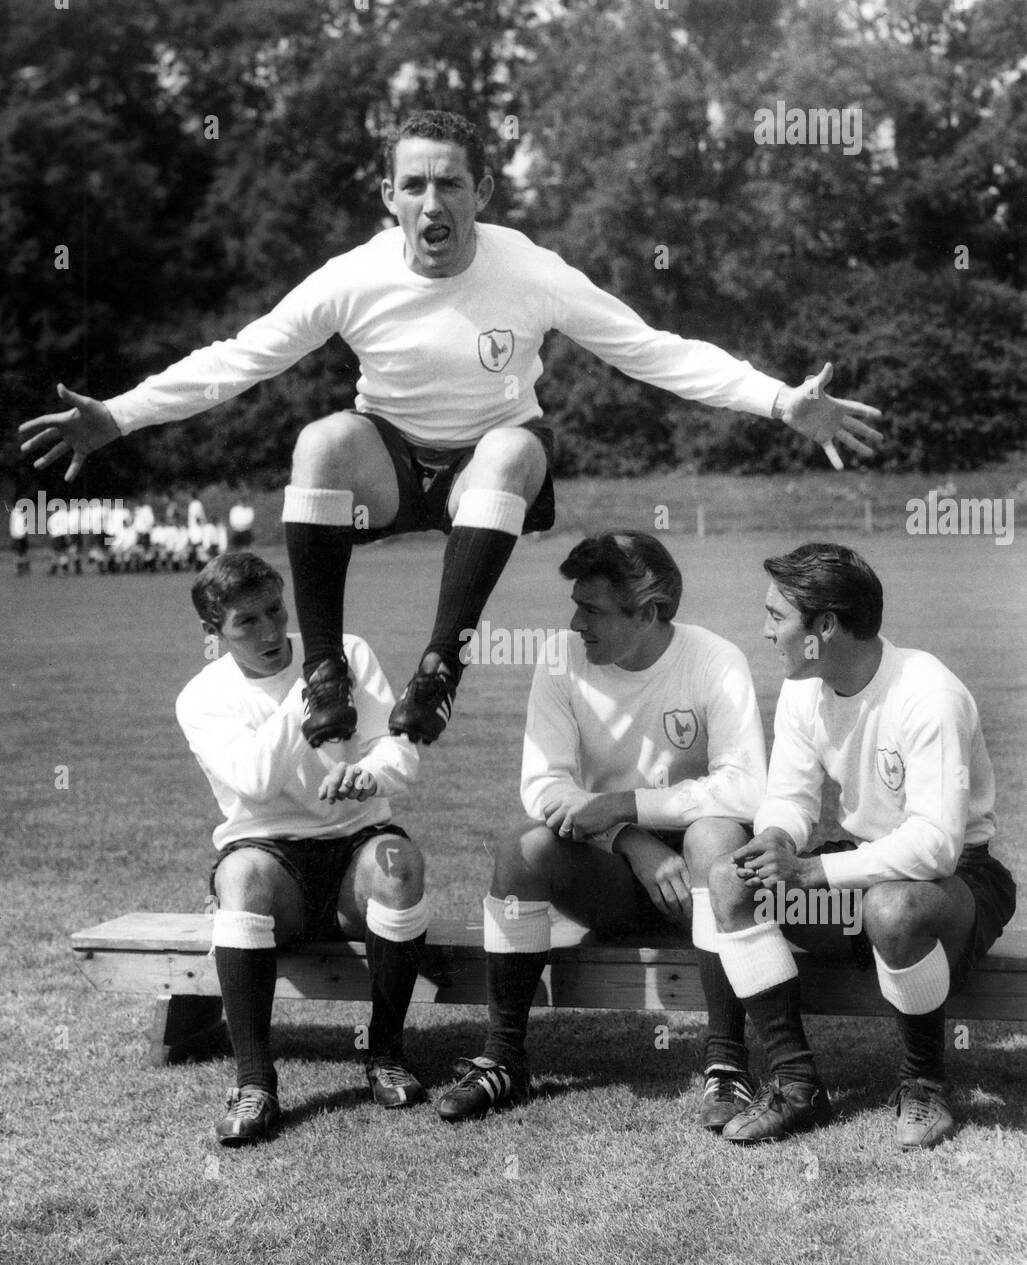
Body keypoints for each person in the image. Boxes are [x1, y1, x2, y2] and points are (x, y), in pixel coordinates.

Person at [19, 109, 882, 751]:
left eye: (452, 183)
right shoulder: (350, 278)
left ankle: (439, 669)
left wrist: (780, 402)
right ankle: (324, 671)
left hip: (497, 467)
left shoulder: (530, 272)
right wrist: (120, 416)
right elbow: (238, 359)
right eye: (416, 184)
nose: (435, 202)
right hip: (391, 463)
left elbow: (653, 350)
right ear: (389, 195)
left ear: (482, 194)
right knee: (320, 440)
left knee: (508, 447)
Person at [435, 531, 767, 1125]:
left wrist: (627, 806)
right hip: (613, 874)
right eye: (575, 603)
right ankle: (504, 1057)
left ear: (649, 613)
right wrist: (628, 837)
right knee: (524, 848)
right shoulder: (561, 658)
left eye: (593, 609)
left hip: (709, 884)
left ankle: (727, 1068)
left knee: (712, 836)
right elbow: (544, 787)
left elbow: (747, 789)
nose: (575, 622)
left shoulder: (715, 659)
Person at [707, 543, 1016, 1149]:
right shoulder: (805, 686)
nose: (765, 631)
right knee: (728, 881)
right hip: (854, 877)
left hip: (956, 885)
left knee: (891, 909)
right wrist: (775, 837)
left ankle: (924, 1085)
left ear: (824, 627)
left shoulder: (929, 692)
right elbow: (792, 797)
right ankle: (798, 1087)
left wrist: (816, 868)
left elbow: (936, 848)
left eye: (777, 617)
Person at [176, 551, 431, 1144]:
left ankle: (387, 1054)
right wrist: (308, 688)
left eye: (274, 610)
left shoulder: (349, 650)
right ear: (213, 633)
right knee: (238, 880)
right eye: (246, 623)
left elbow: (399, 751)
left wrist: (371, 774)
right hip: (270, 857)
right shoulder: (201, 696)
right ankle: (255, 1082)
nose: (269, 631)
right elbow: (256, 781)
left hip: (355, 843)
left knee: (400, 865)